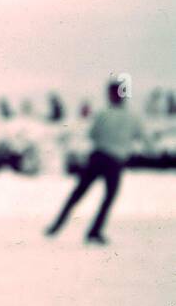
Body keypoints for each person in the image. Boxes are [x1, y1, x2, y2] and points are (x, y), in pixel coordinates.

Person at [45, 77, 153, 244]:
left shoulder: (103, 114)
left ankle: (56, 226)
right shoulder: (133, 117)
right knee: (108, 198)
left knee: (78, 194)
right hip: (115, 161)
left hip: (99, 157)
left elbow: (93, 134)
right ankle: (93, 231)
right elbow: (145, 139)